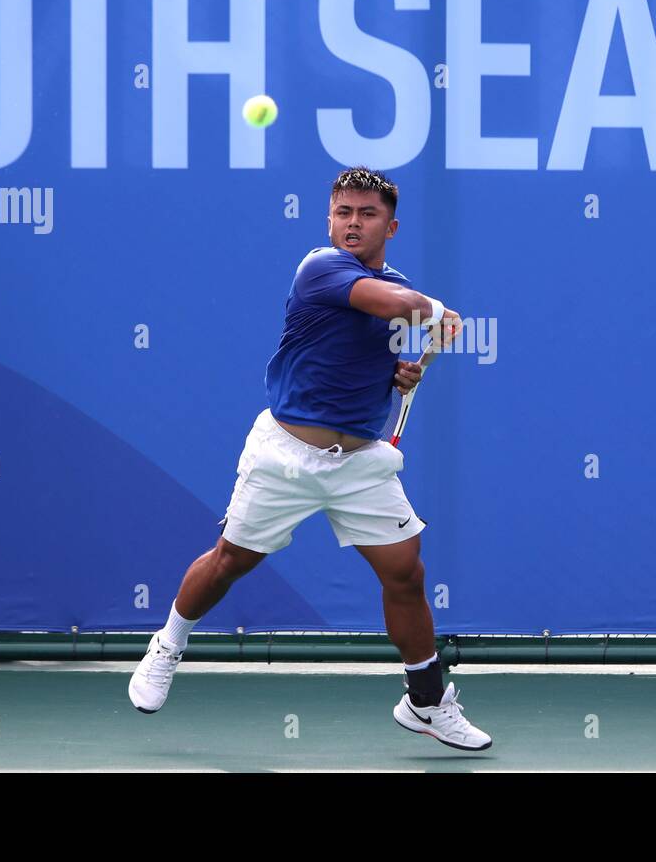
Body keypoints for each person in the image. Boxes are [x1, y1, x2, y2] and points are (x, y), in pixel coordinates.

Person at [128, 166, 491, 751]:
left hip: (361, 461)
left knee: (406, 572)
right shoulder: (321, 268)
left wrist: (404, 371)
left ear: (390, 226)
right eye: (343, 213)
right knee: (228, 561)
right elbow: (394, 302)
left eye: (366, 215)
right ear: (329, 219)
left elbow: (380, 354)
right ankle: (167, 645)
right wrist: (435, 307)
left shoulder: (396, 287)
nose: (352, 223)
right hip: (285, 457)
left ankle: (426, 701)